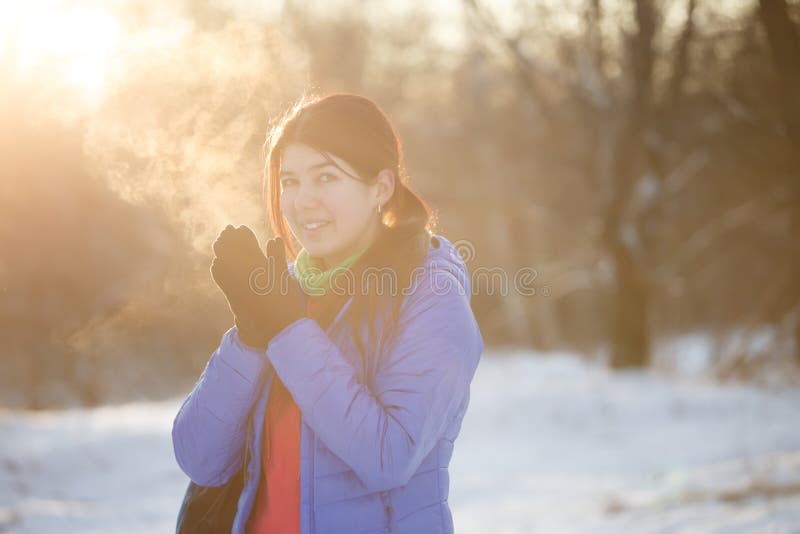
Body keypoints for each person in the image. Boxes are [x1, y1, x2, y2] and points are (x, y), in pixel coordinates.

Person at [172, 92, 484, 534]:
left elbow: (389, 457)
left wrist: (288, 330)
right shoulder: (285, 295)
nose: (302, 202)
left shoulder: (430, 294)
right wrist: (249, 336)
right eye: (290, 181)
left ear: (381, 188)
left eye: (326, 178)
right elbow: (199, 459)